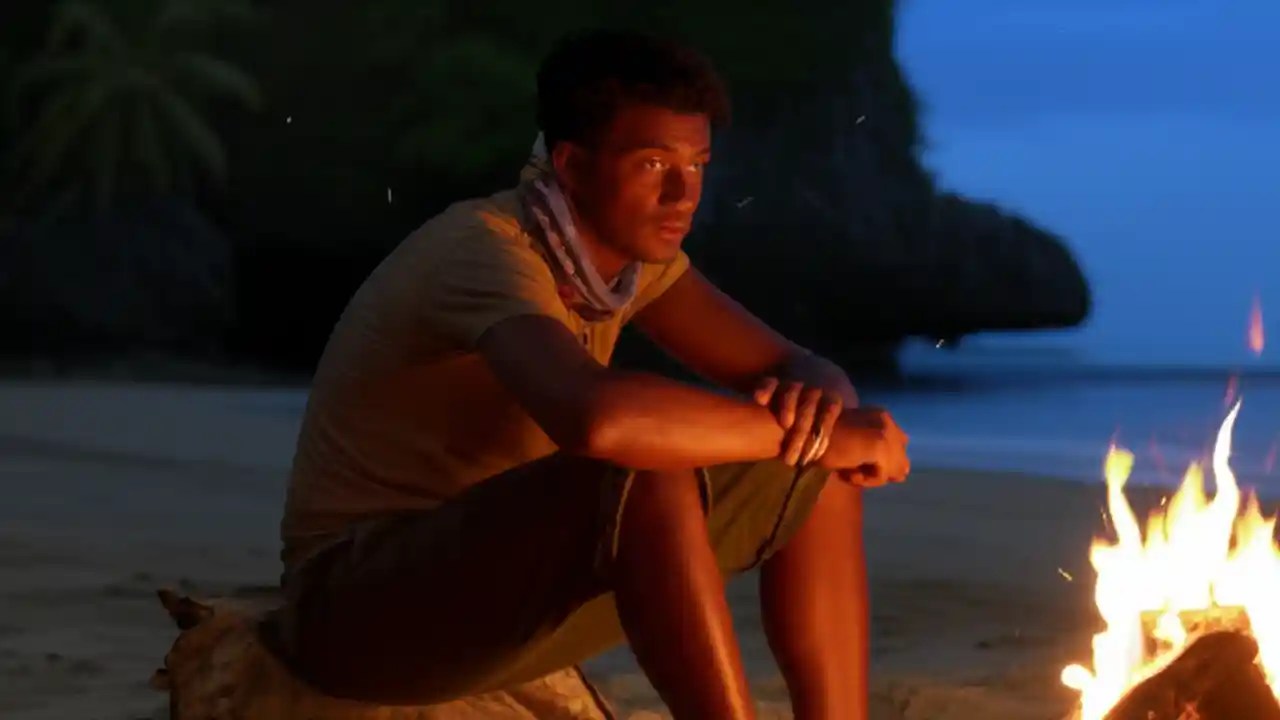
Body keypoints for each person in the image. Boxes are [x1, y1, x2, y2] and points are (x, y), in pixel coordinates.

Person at [272, 28, 910, 720]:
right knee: (644, 466)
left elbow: (797, 367)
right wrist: (823, 434)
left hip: (498, 593)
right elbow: (596, 417)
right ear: (571, 166)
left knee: (813, 466)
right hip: (358, 612)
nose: (681, 193)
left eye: (698, 165)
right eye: (652, 165)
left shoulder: (632, 267)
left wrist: (826, 416)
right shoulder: (486, 249)